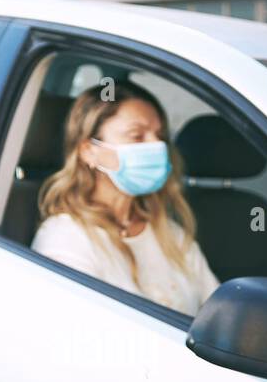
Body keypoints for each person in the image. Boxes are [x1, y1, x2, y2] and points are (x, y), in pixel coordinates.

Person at [31, 81, 219, 316]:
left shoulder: (171, 234)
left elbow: (217, 313)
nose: (158, 145)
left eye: (160, 135)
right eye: (137, 136)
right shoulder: (66, 238)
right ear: (90, 151)